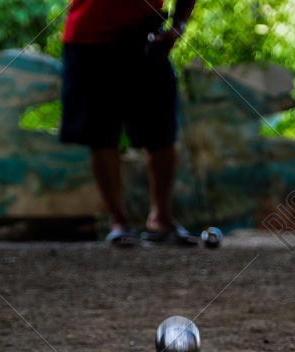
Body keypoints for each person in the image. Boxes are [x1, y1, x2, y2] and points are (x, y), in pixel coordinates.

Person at [60, 0, 197, 247]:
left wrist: (178, 25)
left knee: (162, 132)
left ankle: (161, 219)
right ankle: (118, 222)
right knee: (100, 134)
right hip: (88, 40)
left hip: (145, 38)